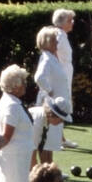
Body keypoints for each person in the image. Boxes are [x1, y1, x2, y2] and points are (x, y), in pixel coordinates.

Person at [0, 65, 36, 182]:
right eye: (23, 82)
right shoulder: (11, 106)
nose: (25, 85)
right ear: (15, 86)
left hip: (21, 155)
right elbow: (6, 136)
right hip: (15, 157)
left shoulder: (12, 102)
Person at [33, 27, 70, 159]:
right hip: (51, 104)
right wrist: (50, 91)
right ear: (47, 42)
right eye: (54, 40)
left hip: (56, 104)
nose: (57, 43)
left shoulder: (52, 57)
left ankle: (50, 166)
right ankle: (46, 168)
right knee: (46, 138)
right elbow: (39, 77)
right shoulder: (47, 58)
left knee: (51, 138)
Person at [51, 7, 78, 148]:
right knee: (58, 106)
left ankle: (60, 138)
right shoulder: (58, 35)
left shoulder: (62, 34)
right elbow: (53, 53)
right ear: (62, 22)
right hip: (60, 76)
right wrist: (57, 73)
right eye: (69, 20)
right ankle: (56, 139)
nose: (72, 22)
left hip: (65, 75)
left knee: (61, 105)